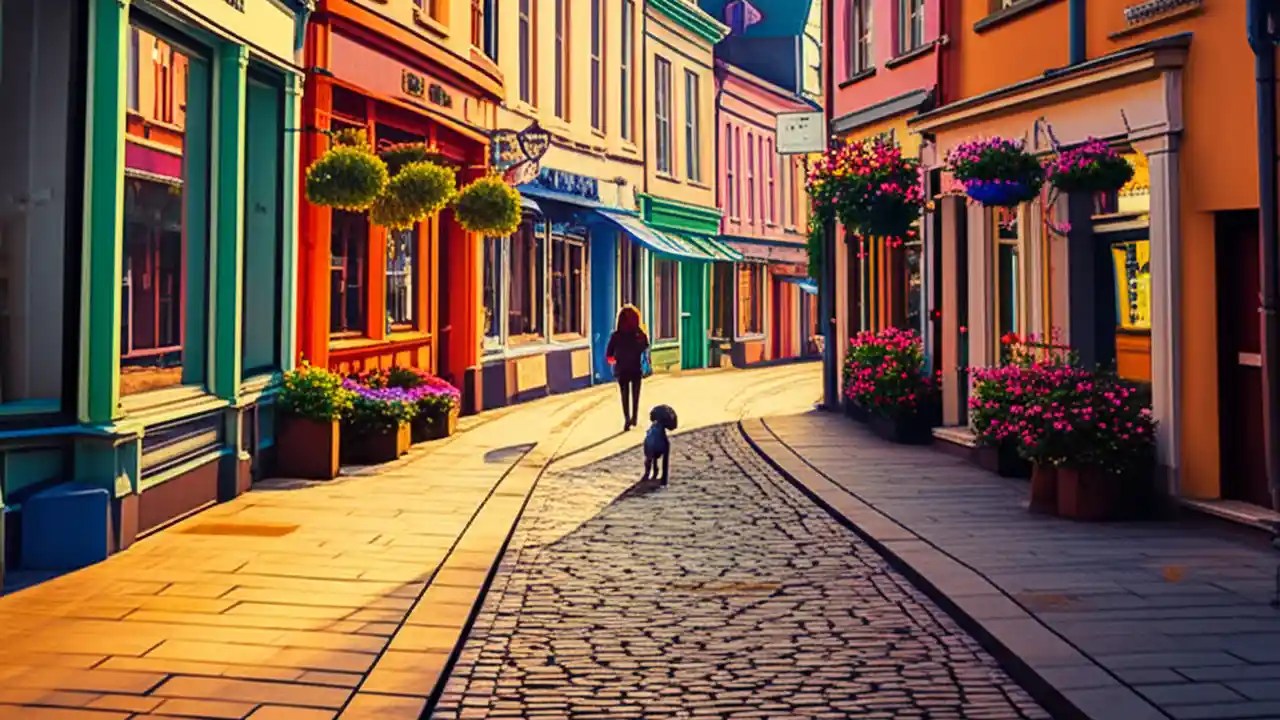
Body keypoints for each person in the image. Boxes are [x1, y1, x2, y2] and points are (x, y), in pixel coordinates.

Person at [606, 304, 649, 431]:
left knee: (624, 395)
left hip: (622, 369)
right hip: (636, 368)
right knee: (636, 394)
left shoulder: (616, 336)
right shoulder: (639, 334)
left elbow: (609, 355)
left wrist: (616, 359)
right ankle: (634, 417)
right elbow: (645, 347)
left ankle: (627, 419)